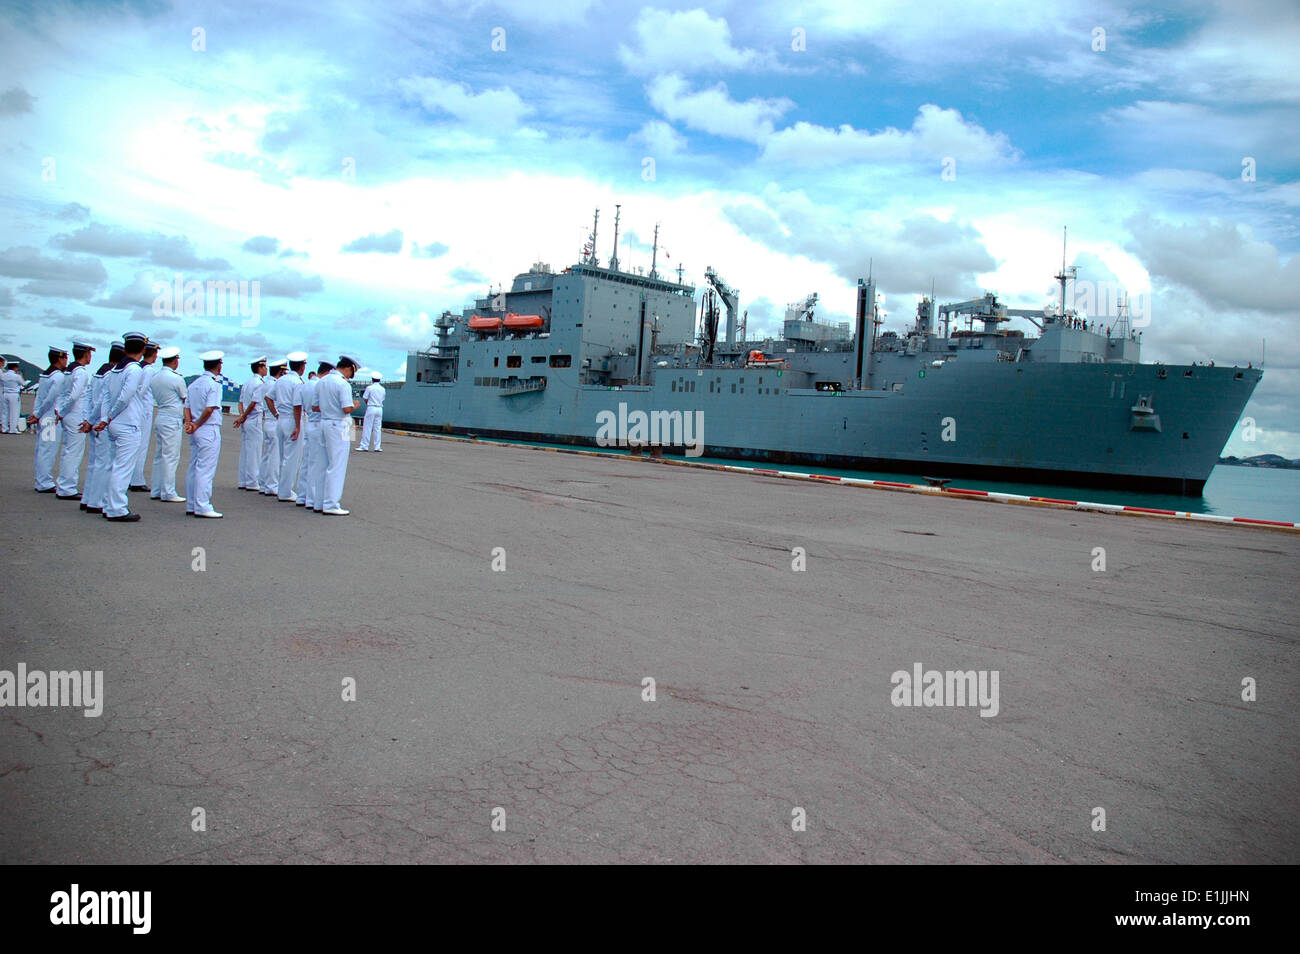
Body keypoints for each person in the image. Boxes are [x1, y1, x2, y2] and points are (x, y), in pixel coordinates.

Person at [96, 331, 151, 522]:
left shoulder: (114, 371)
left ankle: (107, 503)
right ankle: (117, 508)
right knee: (122, 468)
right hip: (127, 423)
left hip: (113, 423)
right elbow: (126, 397)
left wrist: (105, 417)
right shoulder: (135, 370)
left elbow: (106, 397)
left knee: (112, 466)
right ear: (143, 350)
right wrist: (109, 416)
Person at [81, 341, 123, 513]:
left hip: (95, 421)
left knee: (95, 462)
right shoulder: (110, 374)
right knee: (104, 463)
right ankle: (97, 501)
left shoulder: (98, 373)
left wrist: (87, 418)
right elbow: (102, 401)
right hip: (102, 423)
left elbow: (89, 397)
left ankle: (88, 498)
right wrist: (95, 420)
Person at [184, 351, 225, 518]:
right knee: (205, 469)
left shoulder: (194, 384)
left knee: (194, 467)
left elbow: (186, 407)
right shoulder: (214, 384)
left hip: (196, 428)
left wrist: (190, 423)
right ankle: (203, 506)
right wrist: (197, 424)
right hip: (207, 427)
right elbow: (210, 408)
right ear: (218, 365)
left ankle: (191, 504)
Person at [53, 341, 96, 499]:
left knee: (67, 451)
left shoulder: (69, 371)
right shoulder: (81, 373)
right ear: (85, 354)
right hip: (76, 415)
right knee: (73, 452)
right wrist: (63, 411)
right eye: (89, 353)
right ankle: (67, 488)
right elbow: (75, 395)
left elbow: (63, 393)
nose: (90, 356)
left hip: (69, 415)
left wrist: (61, 410)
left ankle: (64, 485)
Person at [317, 355, 358, 515]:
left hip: (324, 422)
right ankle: (331, 504)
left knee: (323, 463)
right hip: (340, 425)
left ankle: (319, 501)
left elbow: (315, 406)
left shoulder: (322, 381)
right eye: (351, 373)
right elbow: (346, 409)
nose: (350, 377)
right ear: (348, 368)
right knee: (337, 465)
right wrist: (354, 405)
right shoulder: (343, 384)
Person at [149, 346, 188, 502]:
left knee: (159, 455)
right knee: (170, 456)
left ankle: (156, 489)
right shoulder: (176, 378)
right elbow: (185, 398)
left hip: (161, 416)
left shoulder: (155, 377)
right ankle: (168, 491)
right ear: (175, 361)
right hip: (172, 419)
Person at [29, 346, 69, 492]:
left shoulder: (46, 375)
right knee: (48, 450)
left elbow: (40, 397)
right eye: (65, 357)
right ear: (60, 358)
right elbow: (50, 398)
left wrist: (36, 413)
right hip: (50, 417)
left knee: (42, 449)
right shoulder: (58, 376)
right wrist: (38, 414)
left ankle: (41, 480)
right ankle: (44, 482)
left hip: (44, 416)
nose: (67, 360)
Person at [275, 352, 307, 503]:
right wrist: (298, 426)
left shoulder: (281, 380)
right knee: (292, 458)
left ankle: (282, 488)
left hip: (280, 419)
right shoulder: (297, 383)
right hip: (292, 420)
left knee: (282, 456)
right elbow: (297, 405)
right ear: (301, 366)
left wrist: (276, 413)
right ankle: (285, 491)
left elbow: (269, 397)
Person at [298, 361, 331, 509]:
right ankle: (312, 499)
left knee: (306, 463)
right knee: (317, 464)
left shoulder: (304, 385)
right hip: (319, 425)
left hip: (308, 424)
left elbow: (297, 406)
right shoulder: (321, 386)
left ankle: (302, 496)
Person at [128, 340, 160, 492]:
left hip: (139, 410)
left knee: (137, 445)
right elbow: (141, 390)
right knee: (141, 445)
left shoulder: (139, 368)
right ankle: (136, 479)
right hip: (143, 410)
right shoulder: (148, 370)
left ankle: (133, 477)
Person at [234, 356, 268, 490]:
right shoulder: (260, 383)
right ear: (259, 368)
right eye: (264, 367)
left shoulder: (247, 382)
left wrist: (242, 416)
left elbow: (241, 402)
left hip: (247, 419)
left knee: (246, 451)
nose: (266, 369)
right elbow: (254, 403)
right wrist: (244, 416)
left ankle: (243, 480)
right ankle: (253, 481)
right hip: (253, 418)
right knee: (254, 451)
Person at [259, 358, 286, 495]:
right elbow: (269, 399)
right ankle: (272, 485)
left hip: (267, 421)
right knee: (275, 457)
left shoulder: (265, 383)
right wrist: (276, 413)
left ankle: (263, 483)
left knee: (267, 455)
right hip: (274, 421)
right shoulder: (274, 384)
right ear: (280, 372)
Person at [358, 371, 385, 452]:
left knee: (367, 427)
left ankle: (364, 446)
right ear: (379, 380)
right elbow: (383, 399)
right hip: (380, 408)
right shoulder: (382, 389)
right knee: (377, 428)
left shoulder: (369, 388)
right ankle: (377, 447)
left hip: (371, 407)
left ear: (372, 379)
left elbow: (365, 398)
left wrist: (369, 404)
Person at [1, 358, 21, 433]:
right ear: (15, 367)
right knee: (14, 412)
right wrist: (20, 376)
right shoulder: (17, 376)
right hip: (14, 394)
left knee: (5, 412)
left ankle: (4, 428)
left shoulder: (3, 375)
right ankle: (13, 429)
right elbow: (23, 383)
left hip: (5, 394)